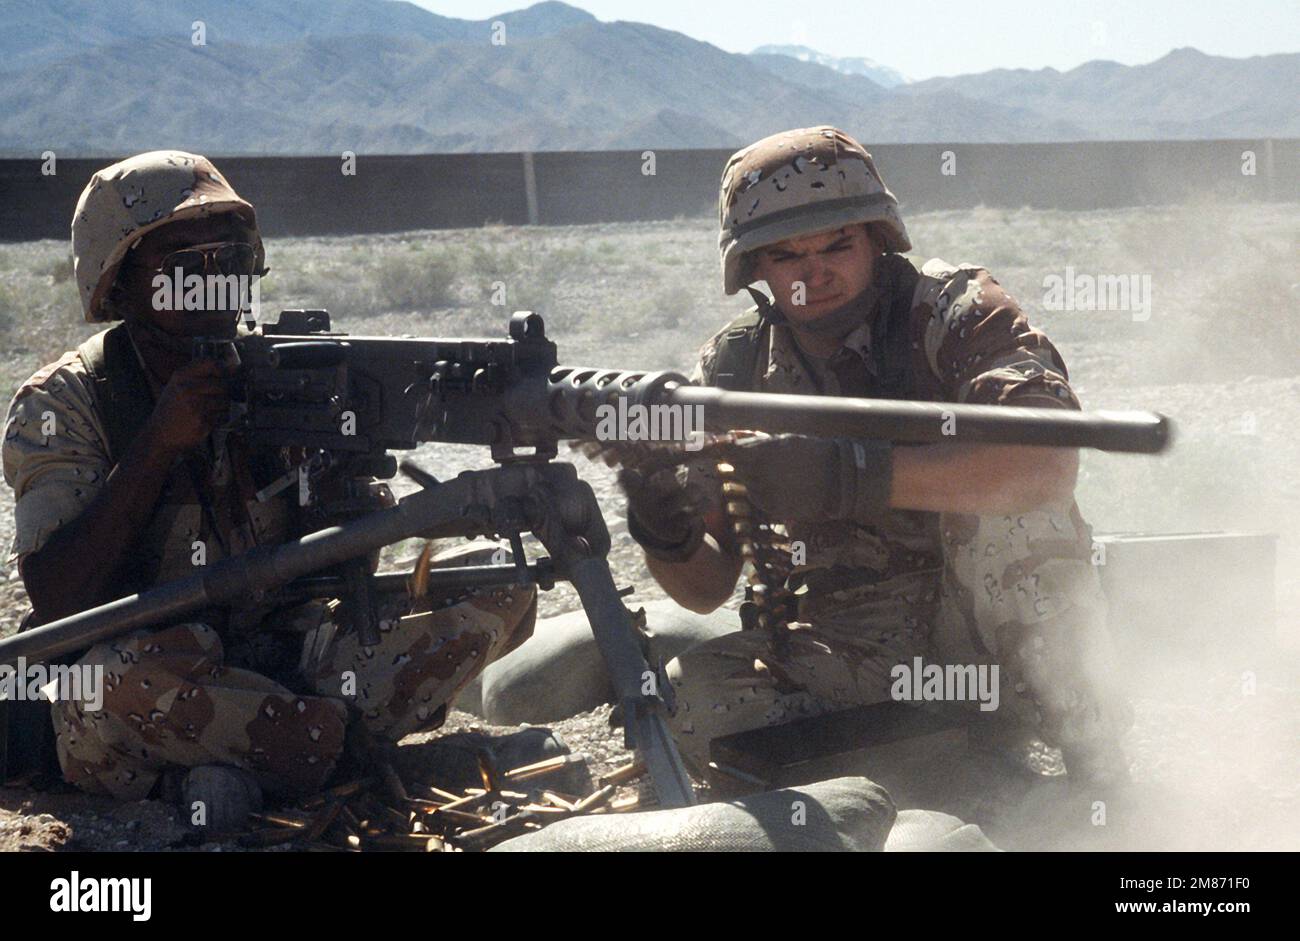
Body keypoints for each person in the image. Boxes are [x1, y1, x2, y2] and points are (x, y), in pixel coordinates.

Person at [2, 151, 536, 829]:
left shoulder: (270, 371)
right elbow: (58, 598)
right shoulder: (68, 400)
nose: (217, 284)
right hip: (138, 675)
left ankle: (273, 749)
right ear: (118, 281)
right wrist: (156, 447)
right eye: (186, 266)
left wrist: (342, 503)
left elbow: (332, 580)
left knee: (503, 588)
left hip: (276, 656)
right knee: (118, 681)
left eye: (232, 259)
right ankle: (338, 750)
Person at [621, 126, 1131, 787]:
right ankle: (917, 772)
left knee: (1023, 520)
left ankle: (1101, 776)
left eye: (838, 244)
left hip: (980, 621)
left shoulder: (953, 310)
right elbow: (707, 588)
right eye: (786, 256)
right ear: (754, 268)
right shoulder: (735, 365)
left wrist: (849, 477)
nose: (815, 272)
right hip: (853, 647)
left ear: (875, 237)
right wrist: (667, 530)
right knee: (681, 702)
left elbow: (1046, 465)